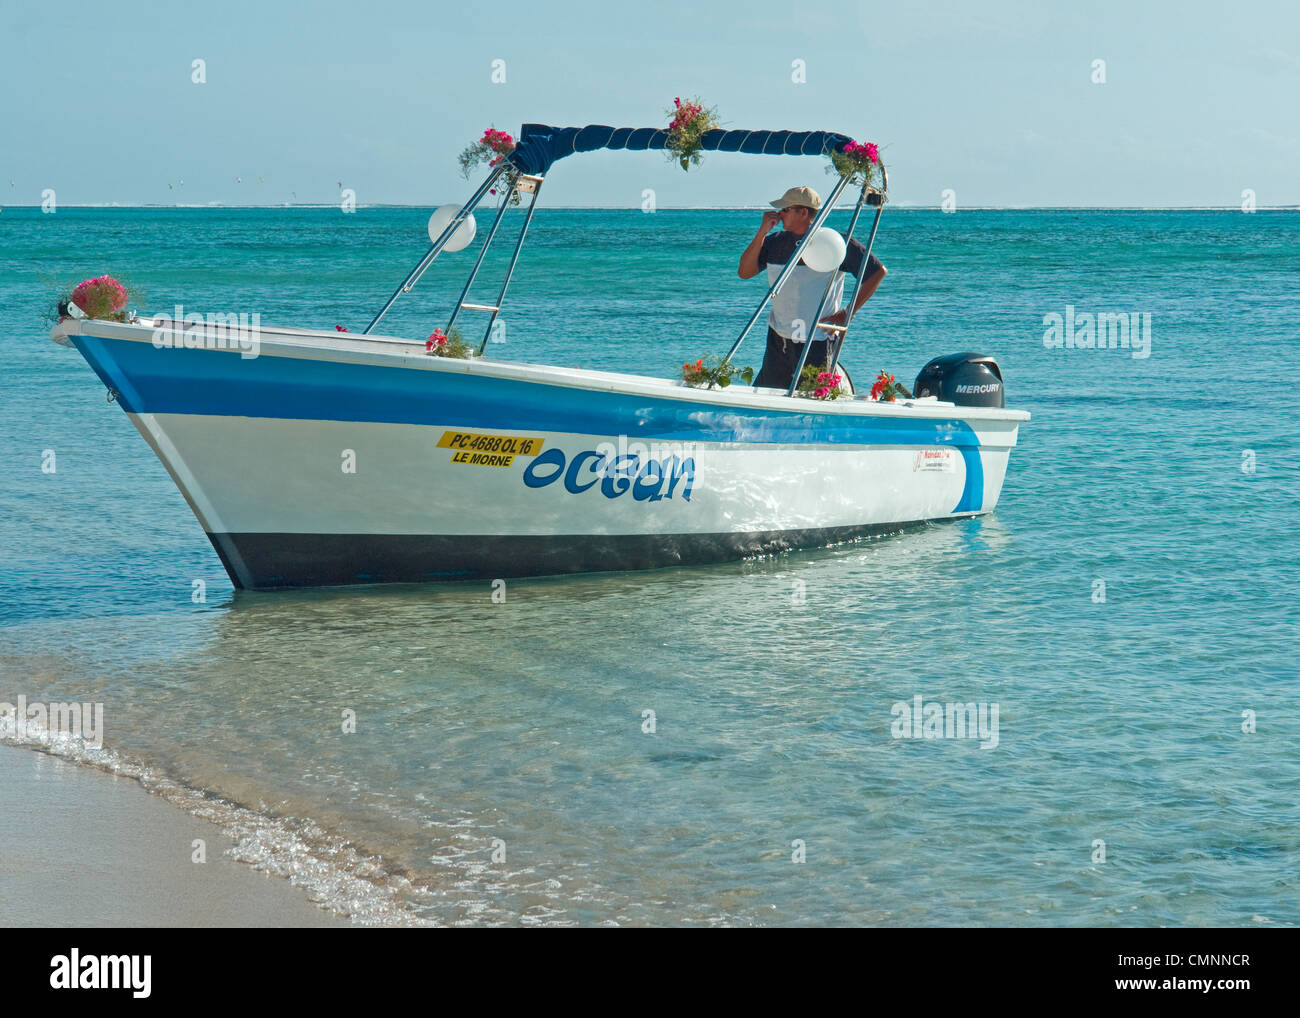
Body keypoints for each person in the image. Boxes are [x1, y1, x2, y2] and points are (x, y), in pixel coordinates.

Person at [737, 185, 886, 389]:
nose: (779, 215)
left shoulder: (834, 243)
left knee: (813, 393)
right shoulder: (774, 242)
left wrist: (847, 312)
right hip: (779, 338)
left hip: (817, 339)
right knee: (769, 393)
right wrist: (762, 232)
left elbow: (877, 272)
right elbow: (744, 272)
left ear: (803, 212)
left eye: (785, 210)